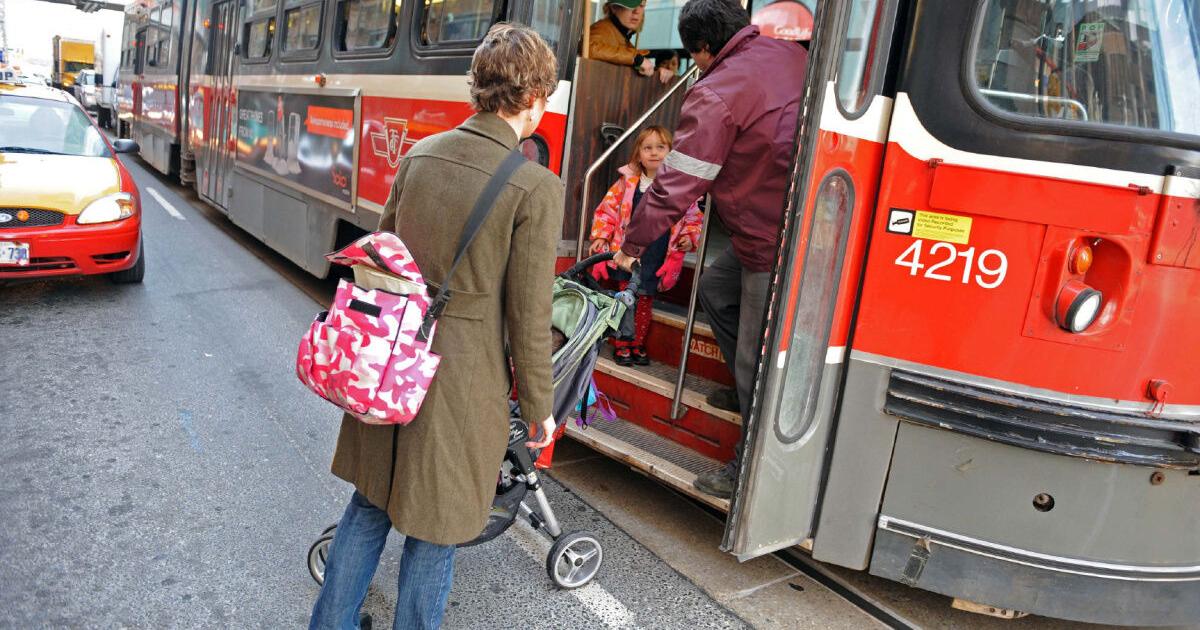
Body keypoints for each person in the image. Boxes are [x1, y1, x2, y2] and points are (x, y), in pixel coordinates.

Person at [308, 23, 563, 630]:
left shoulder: (420, 156)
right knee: (436, 528)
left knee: (369, 504)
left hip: (391, 359)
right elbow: (529, 317)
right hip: (460, 383)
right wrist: (539, 409)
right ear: (532, 99)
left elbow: (381, 259)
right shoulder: (535, 186)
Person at [613, 0, 808, 499]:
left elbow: (677, 184)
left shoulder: (716, 91)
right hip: (782, 221)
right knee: (717, 291)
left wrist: (631, 245)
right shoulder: (792, 55)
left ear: (702, 48)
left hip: (768, 235)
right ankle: (748, 394)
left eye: (694, 56)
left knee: (753, 355)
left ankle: (749, 465)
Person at [588, 125, 703, 366]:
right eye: (647, 148)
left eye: (660, 147)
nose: (654, 153)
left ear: (671, 153)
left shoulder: (679, 188)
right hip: (628, 253)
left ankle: (636, 342)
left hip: (657, 255)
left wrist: (689, 237)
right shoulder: (627, 183)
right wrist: (601, 236)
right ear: (638, 155)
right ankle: (622, 342)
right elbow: (608, 210)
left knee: (644, 304)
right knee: (625, 299)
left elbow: (693, 217)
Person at [588, 0, 675, 84]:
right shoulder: (602, 28)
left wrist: (657, 72)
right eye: (630, 5)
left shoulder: (623, 38)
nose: (636, 11)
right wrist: (636, 58)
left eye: (641, 5)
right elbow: (589, 48)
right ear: (614, 7)